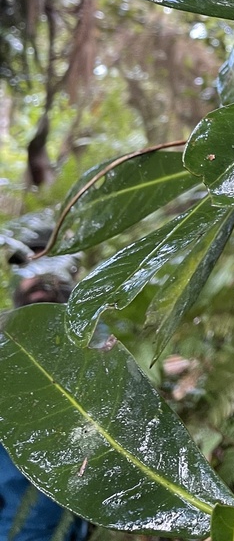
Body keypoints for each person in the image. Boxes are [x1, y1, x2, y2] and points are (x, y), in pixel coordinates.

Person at [0, 222, 88, 541]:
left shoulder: (97, 343)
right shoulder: (4, 345)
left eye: (52, 261)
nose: (39, 274)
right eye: (28, 264)